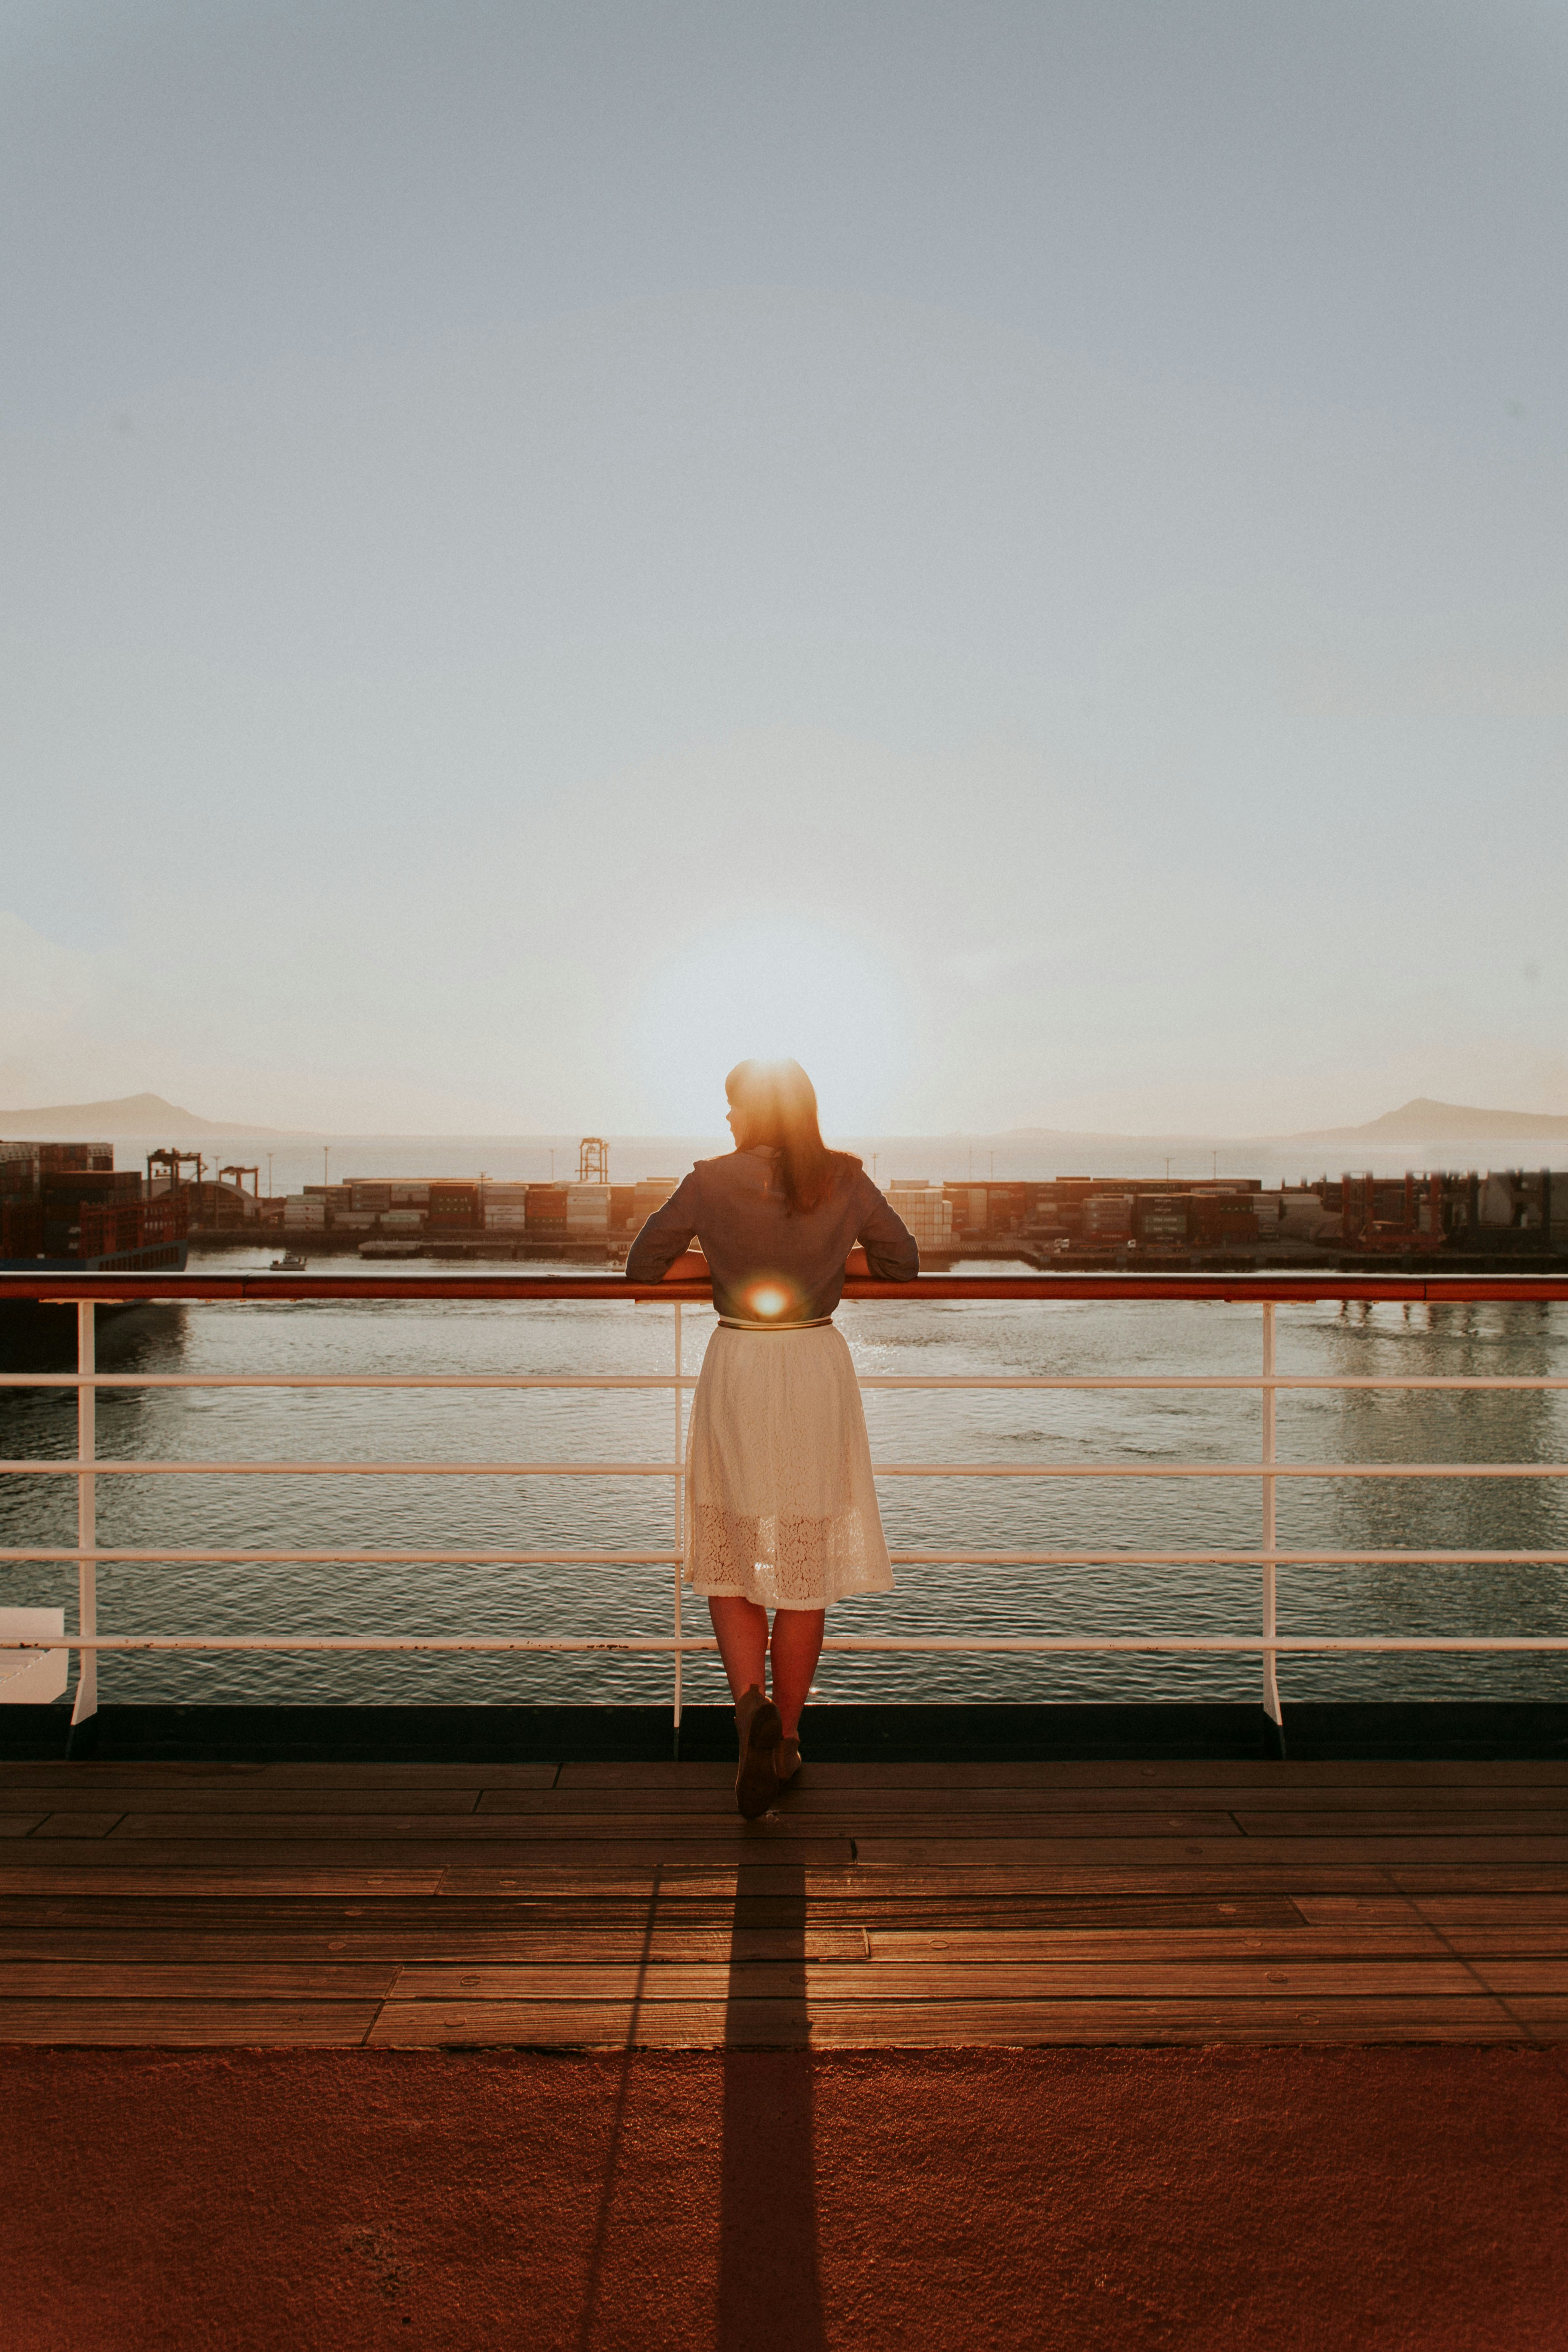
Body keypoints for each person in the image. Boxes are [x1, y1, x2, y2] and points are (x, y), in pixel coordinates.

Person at [626, 1059, 919, 1817]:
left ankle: (749, 1709)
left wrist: (727, 1259)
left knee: (729, 1551)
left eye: (733, 1106)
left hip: (741, 1366)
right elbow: (903, 1263)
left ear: (754, 1113)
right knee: (803, 1560)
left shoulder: (708, 1180)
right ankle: (785, 1740)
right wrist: (824, 1262)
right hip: (814, 1365)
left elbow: (644, 1265)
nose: (727, 1120)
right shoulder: (845, 1178)